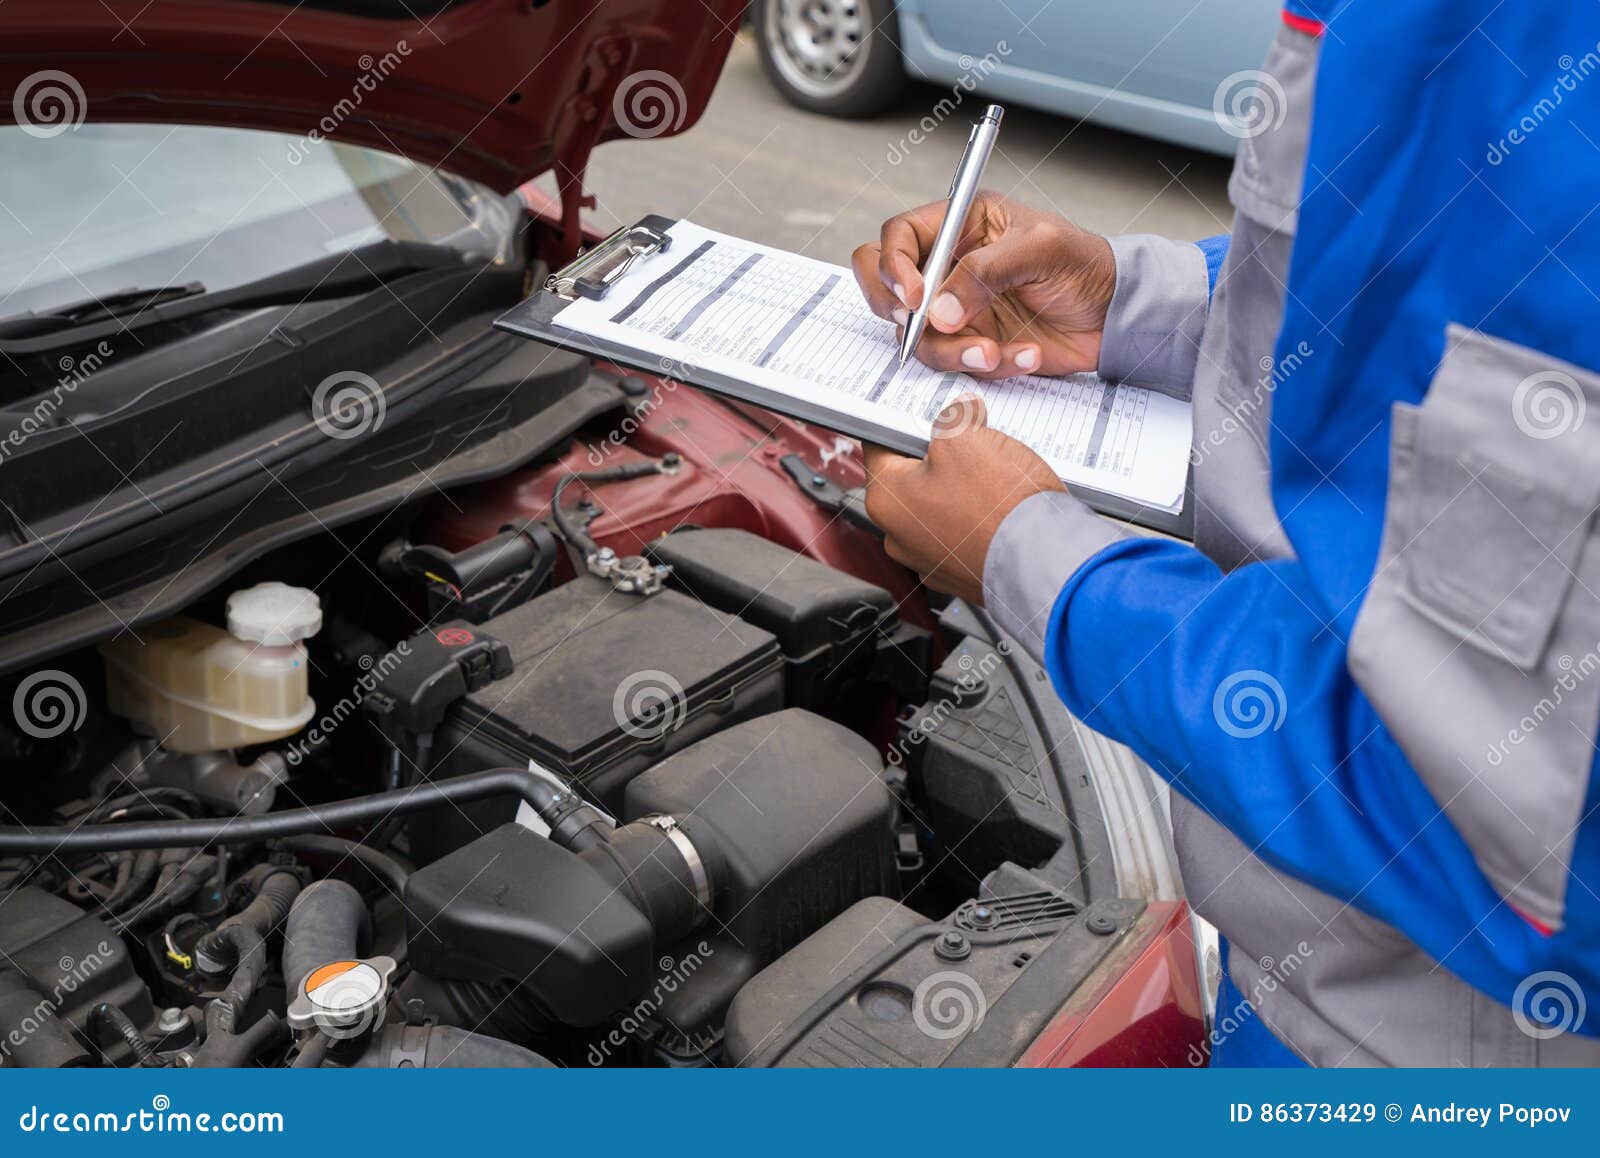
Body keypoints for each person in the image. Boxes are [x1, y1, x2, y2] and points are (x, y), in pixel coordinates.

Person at [852, 0, 1600, 1066]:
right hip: (1280, 976)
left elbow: (1516, 839)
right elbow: (1400, 301)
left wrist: (1047, 572)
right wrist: (1130, 304)